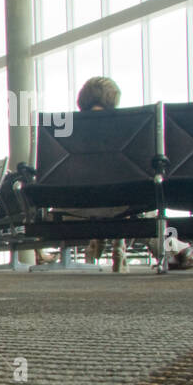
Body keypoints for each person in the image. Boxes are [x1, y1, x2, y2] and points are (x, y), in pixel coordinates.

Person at [76, 77, 128, 272]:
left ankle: (98, 241)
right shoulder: (127, 127)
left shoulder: (66, 127)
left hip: (76, 204)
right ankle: (175, 252)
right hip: (118, 202)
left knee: (100, 199)